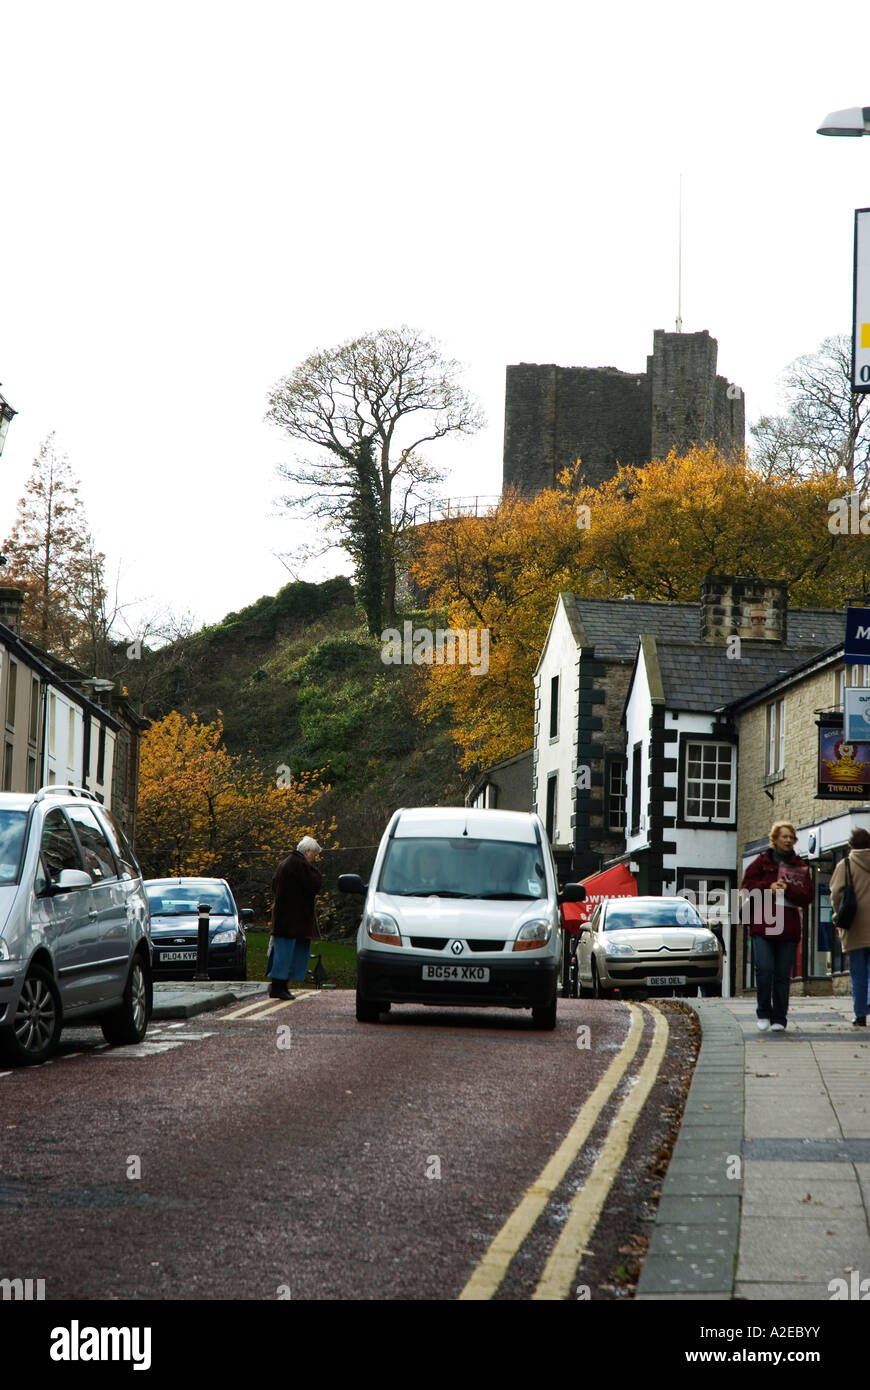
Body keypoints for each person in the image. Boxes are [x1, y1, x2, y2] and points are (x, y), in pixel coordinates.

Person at [741, 822, 813, 1033]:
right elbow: (746, 888)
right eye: (784, 836)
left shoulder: (799, 865)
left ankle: (779, 1017)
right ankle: (763, 1012)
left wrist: (788, 889)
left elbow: (808, 896)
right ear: (775, 839)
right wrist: (768, 887)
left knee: (782, 975)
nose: (789, 840)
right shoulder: (760, 863)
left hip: (788, 928)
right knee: (764, 970)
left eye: (791, 837)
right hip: (762, 925)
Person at [268, 836, 323, 1000]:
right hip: (293, 920)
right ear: (307, 851)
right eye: (314, 854)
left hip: (285, 918)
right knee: (287, 955)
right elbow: (314, 884)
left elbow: (274, 886)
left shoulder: (285, 863)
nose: (315, 858)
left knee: (282, 954)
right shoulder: (299, 865)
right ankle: (279, 987)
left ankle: (279, 986)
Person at [829, 827, 870, 1027]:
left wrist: (838, 915)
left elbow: (836, 893)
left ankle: (860, 1014)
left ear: (851, 845)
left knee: (858, 972)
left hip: (854, 925)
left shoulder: (845, 864)